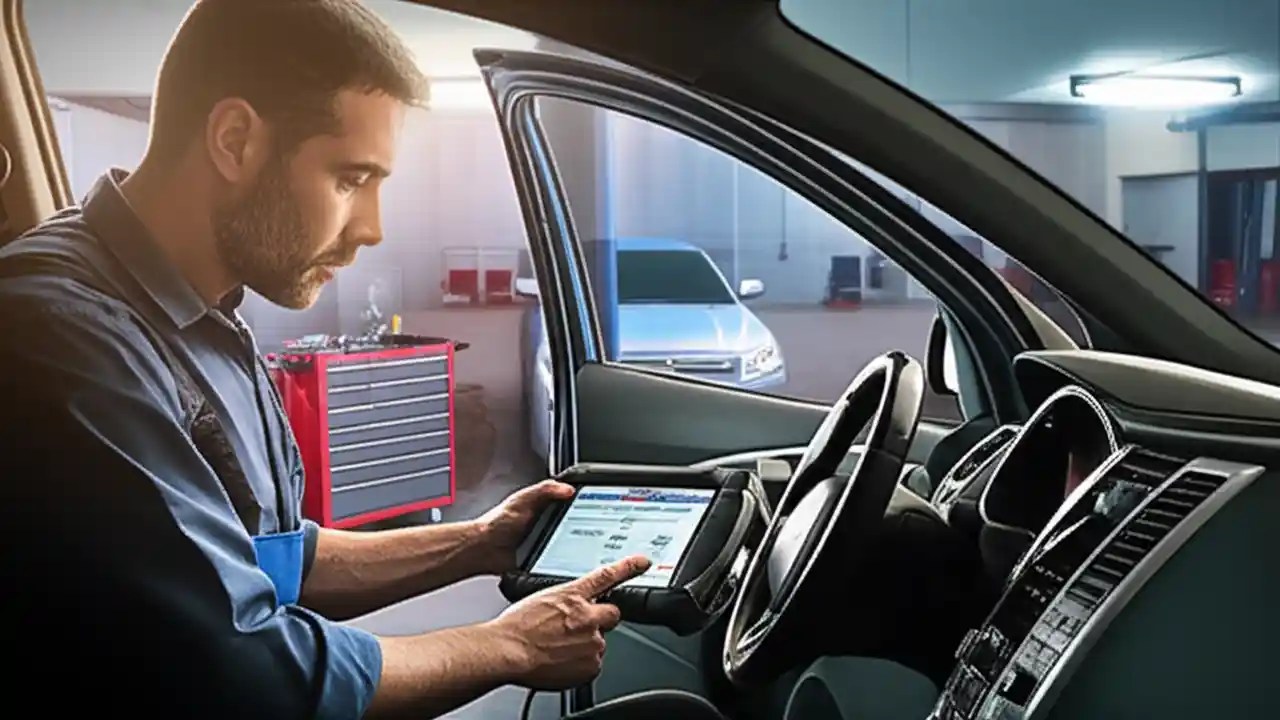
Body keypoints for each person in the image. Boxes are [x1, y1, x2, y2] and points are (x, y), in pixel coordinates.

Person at [0, 1, 724, 719]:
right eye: (350, 179)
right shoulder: (63, 340)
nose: (372, 229)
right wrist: (510, 648)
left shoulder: (199, 312)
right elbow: (254, 673)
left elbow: (274, 562)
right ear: (234, 139)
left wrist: (481, 542)